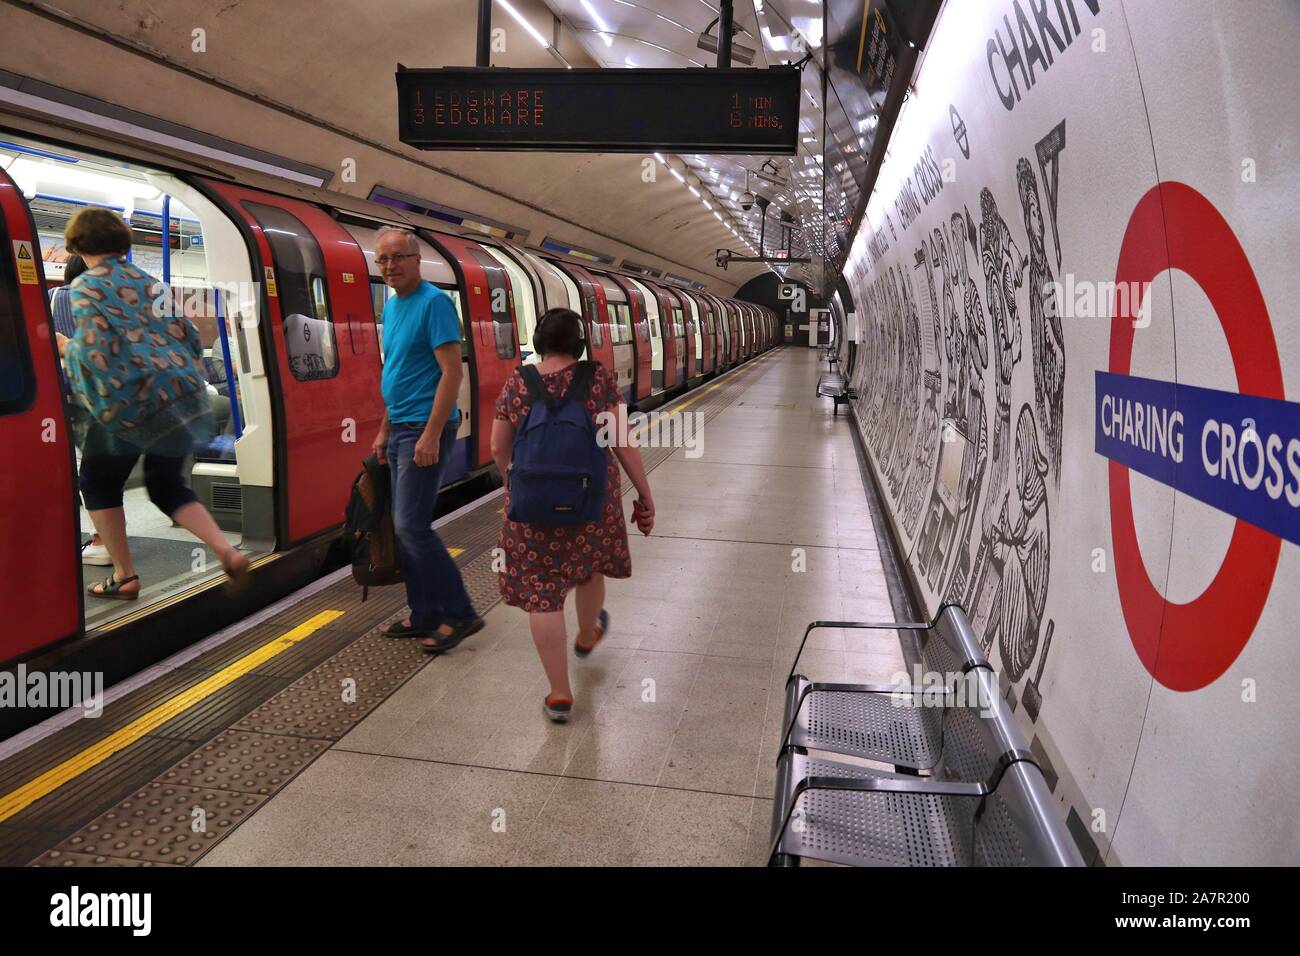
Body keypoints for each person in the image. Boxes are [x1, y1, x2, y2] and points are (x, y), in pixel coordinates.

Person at [56, 207, 248, 599]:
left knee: (96, 481)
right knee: (166, 485)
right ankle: (226, 550)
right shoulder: (152, 283)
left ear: (76, 244)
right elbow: (191, 337)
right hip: (182, 401)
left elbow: (96, 352)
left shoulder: (86, 287)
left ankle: (125, 575)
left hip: (130, 406)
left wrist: (64, 347)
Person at [491, 308, 655, 722]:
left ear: (539, 341)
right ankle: (586, 633)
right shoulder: (597, 379)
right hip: (591, 505)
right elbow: (622, 441)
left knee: (542, 594)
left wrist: (513, 486)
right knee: (588, 569)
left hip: (532, 509)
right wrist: (645, 495)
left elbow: (497, 447)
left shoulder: (518, 382)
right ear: (580, 345)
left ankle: (560, 694)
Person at [369, 226, 483, 651]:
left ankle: (460, 613)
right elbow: (398, 372)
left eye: (397, 257)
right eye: (382, 259)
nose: (389, 266)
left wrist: (432, 433)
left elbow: (451, 373)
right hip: (401, 426)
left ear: (417, 260)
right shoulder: (394, 306)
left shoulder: (434, 303)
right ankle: (424, 615)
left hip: (424, 428)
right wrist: (384, 429)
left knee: (411, 525)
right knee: (407, 529)